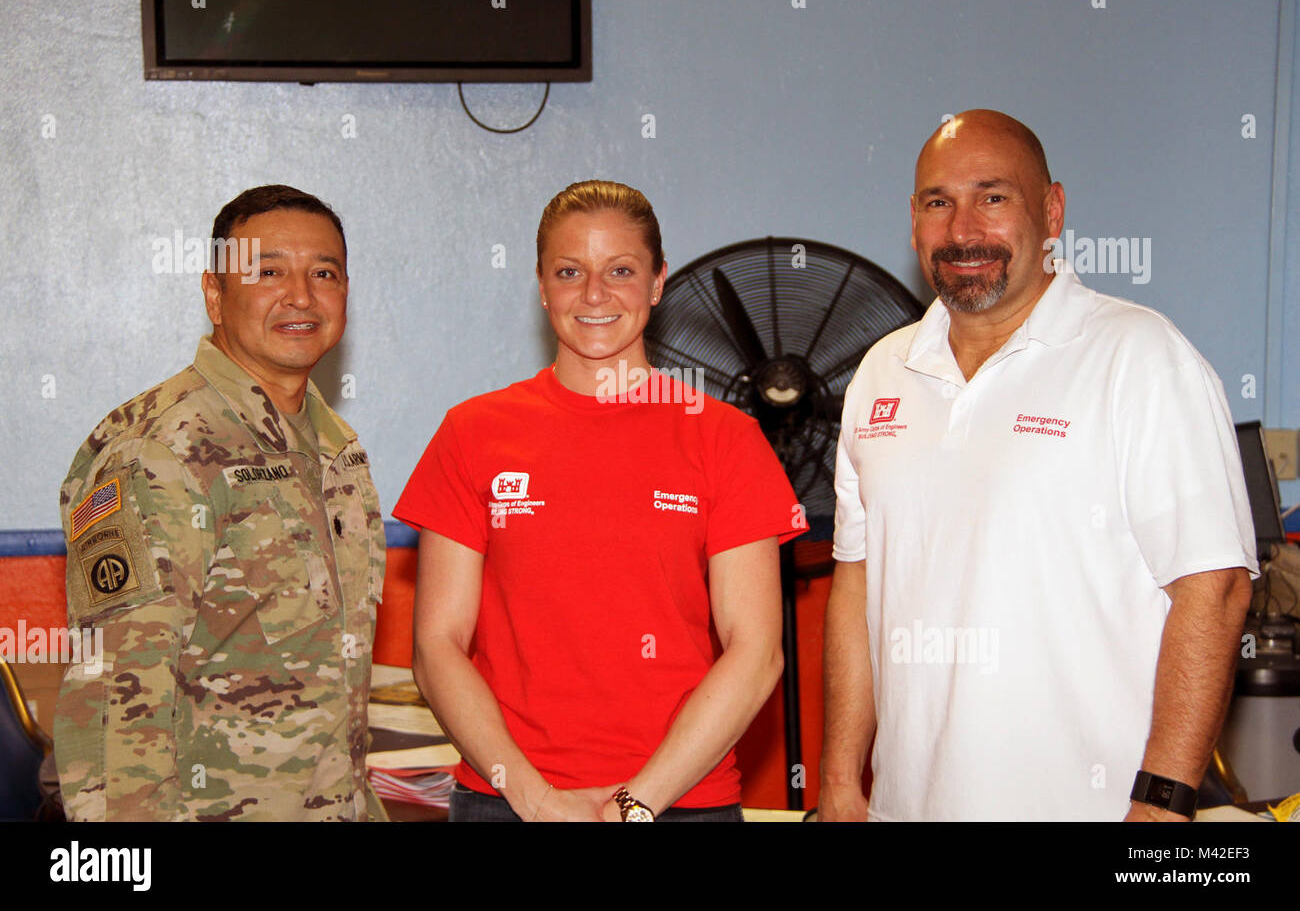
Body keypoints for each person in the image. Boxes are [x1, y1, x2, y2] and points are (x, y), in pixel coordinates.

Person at [820, 111, 1257, 821]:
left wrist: (1164, 801)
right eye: (939, 202)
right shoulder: (880, 372)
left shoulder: (1140, 356)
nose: (962, 230)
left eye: (993, 197)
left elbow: (1215, 590)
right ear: (913, 219)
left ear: (1052, 210)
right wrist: (840, 778)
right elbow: (856, 582)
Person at [394, 180, 803, 821]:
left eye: (620, 270)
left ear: (658, 282)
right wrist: (533, 799)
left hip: (681, 803)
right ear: (540, 285)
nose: (593, 295)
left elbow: (756, 651)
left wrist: (634, 804)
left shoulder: (726, 438)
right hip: (508, 803)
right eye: (569, 271)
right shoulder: (472, 433)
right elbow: (436, 645)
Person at [55, 185, 387, 821]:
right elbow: (116, 704)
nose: (301, 296)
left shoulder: (334, 447)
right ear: (215, 295)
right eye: (268, 272)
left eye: (325, 273)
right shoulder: (160, 450)